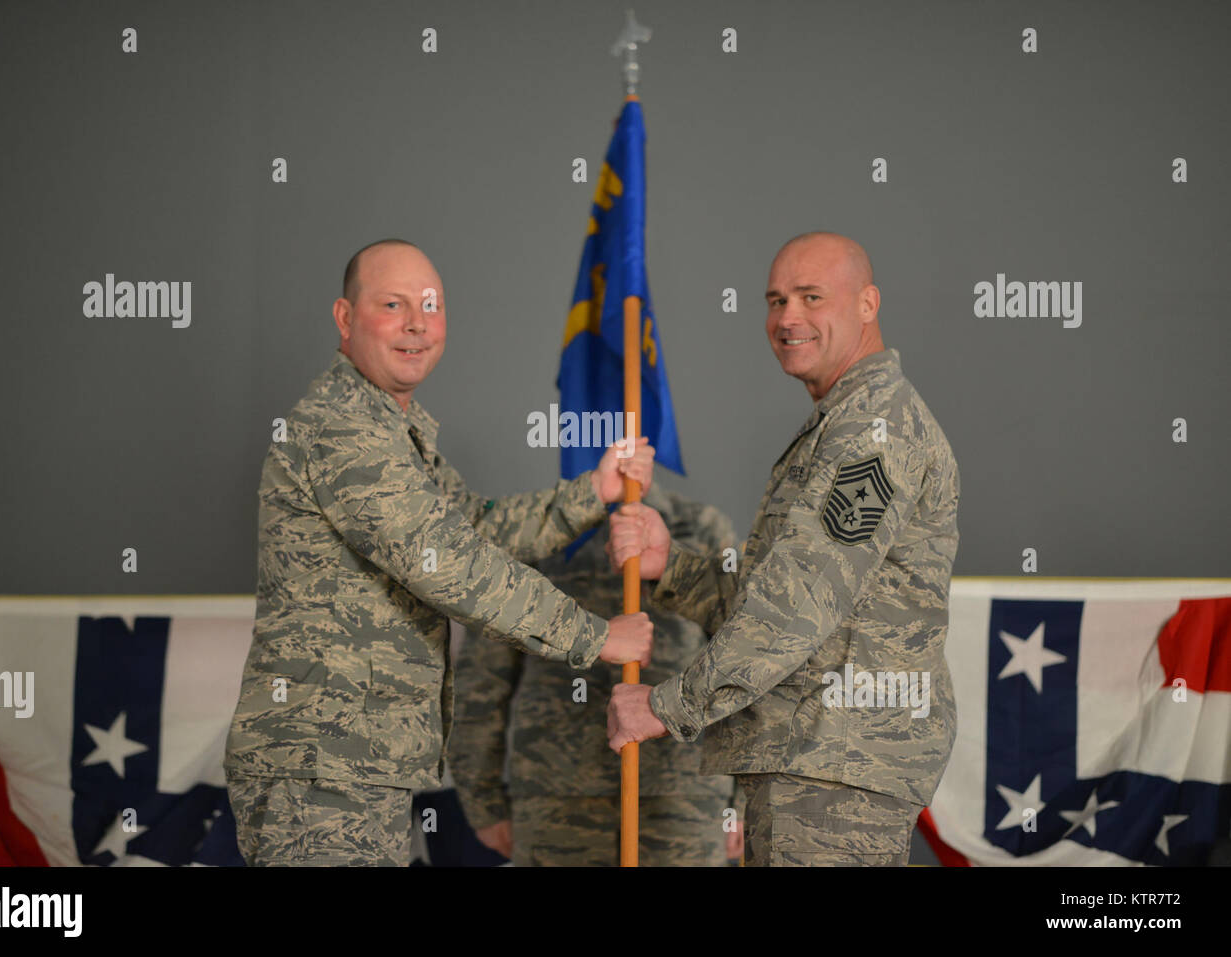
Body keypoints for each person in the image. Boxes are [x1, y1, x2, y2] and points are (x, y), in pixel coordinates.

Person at [225, 239, 656, 866]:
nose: (417, 324)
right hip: (319, 767)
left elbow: (473, 530)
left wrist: (594, 492)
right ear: (345, 319)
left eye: (430, 305)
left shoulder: (393, 430)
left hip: (355, 763)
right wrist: (595, 637)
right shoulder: (342, 428)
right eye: (392, 304)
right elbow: (453, 567)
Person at [606, 232, 960, 866]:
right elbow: (777, 596)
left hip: (835, 768)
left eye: (811, 297)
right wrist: (673, 569)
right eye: (775, 300)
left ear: (868, 303)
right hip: (808, 759)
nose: (787, 317)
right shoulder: (840, 421)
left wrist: (666, 705)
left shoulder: (875, 429)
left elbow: (798, 607)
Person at [449, 484, 743, 866]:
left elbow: (741, 657)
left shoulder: (700, 527)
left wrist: (741, 799)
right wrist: (482, 802)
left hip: (684, 796)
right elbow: (481, 681)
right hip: (556, 793)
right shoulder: (537, 527)